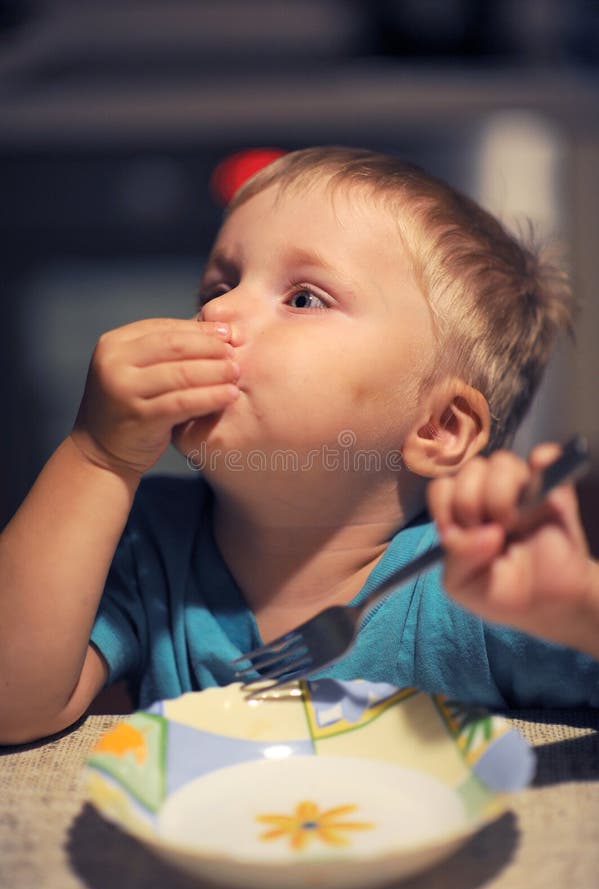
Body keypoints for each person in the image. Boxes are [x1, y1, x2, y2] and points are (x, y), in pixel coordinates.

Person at [1, 147, 598, 746]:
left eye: (303, 298)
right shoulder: (149, 546)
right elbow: (12, 704)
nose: (214, 310)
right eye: (220, 282)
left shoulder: (469, 585)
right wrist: (97, 457)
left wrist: (571, 608)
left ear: (439, 428)